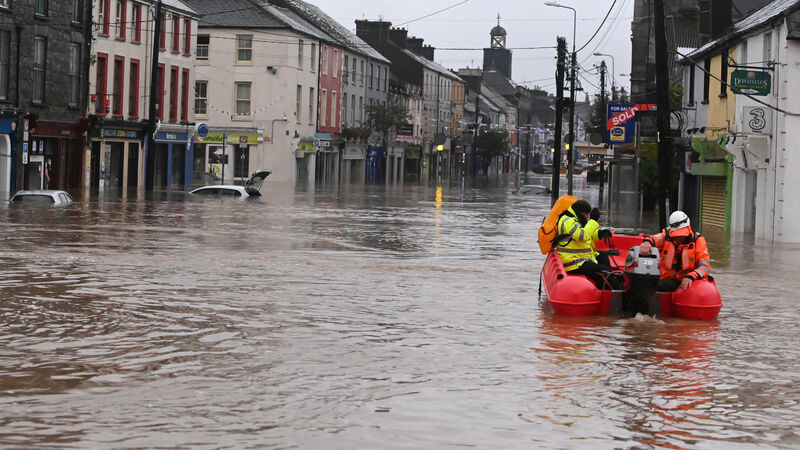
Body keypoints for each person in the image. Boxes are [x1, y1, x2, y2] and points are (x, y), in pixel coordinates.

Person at [554, 199, 622, 289]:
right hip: (571, 262)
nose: (587, 217)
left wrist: (600, 234)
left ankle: (605, 285)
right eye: (586, 214)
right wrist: (593, 221)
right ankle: (616, 289)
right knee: (602, 270)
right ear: (579, 212)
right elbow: (582, 236)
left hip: (579, 258)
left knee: (603, 256)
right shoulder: (568, 221)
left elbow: (588, 236)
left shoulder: (576, 219)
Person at [639, 210, 711, 292]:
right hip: (666, 279)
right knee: (643, 283)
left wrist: (691, 276)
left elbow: (705, 267)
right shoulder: (666, 235)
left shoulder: (698, 240)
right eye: (676, 235)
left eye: (681, 235)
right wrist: (647, 242)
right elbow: (656, 238)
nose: (678, 238)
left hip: (687, 280)